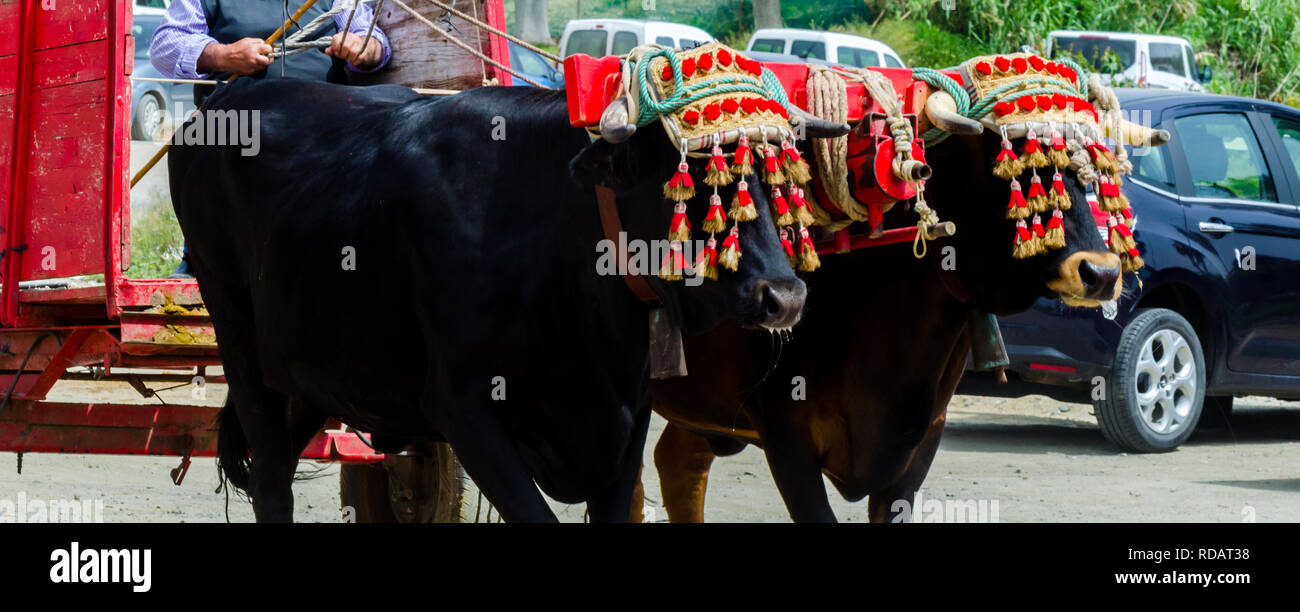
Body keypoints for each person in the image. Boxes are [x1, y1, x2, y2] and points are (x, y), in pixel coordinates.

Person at [150, 0, 393, 277]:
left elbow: (375, 43)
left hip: (323, 118)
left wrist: (364, 48)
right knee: (196, 137)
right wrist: (222, 55)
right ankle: (200, 260)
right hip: (237, 116)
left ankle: (344, 260)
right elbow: (165, 45)